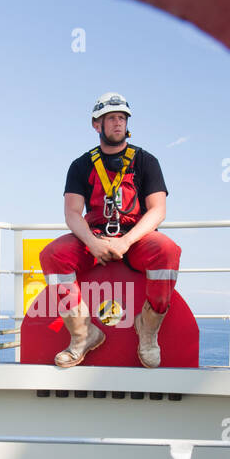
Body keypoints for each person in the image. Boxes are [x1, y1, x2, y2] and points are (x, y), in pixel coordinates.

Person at [39, 92, 181, 368]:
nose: (118, 123)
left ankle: (148, 330)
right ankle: (83, 334)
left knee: (167, 251)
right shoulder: (81, 165)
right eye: (111, 118)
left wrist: (126, 242)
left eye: (122, 118)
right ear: (96, 125)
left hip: (134, 238)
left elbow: (158, 210)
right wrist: (93, 242)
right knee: (53, 255)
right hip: (94, 238)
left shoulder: (145, 161)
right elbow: (72, 213)